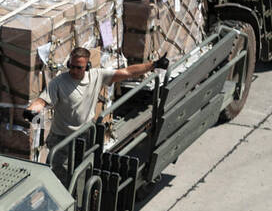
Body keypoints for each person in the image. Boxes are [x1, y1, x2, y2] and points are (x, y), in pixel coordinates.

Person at [25, 47, 167, 142]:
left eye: (78, 68)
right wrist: (32, 109)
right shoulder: (59, 82)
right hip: (62, 138)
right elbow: (42, 101)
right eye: (71, 66)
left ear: (87, 66)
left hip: (85, 135)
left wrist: (153, 65)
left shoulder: (97, 76)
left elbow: (127, 72)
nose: (74, 70)